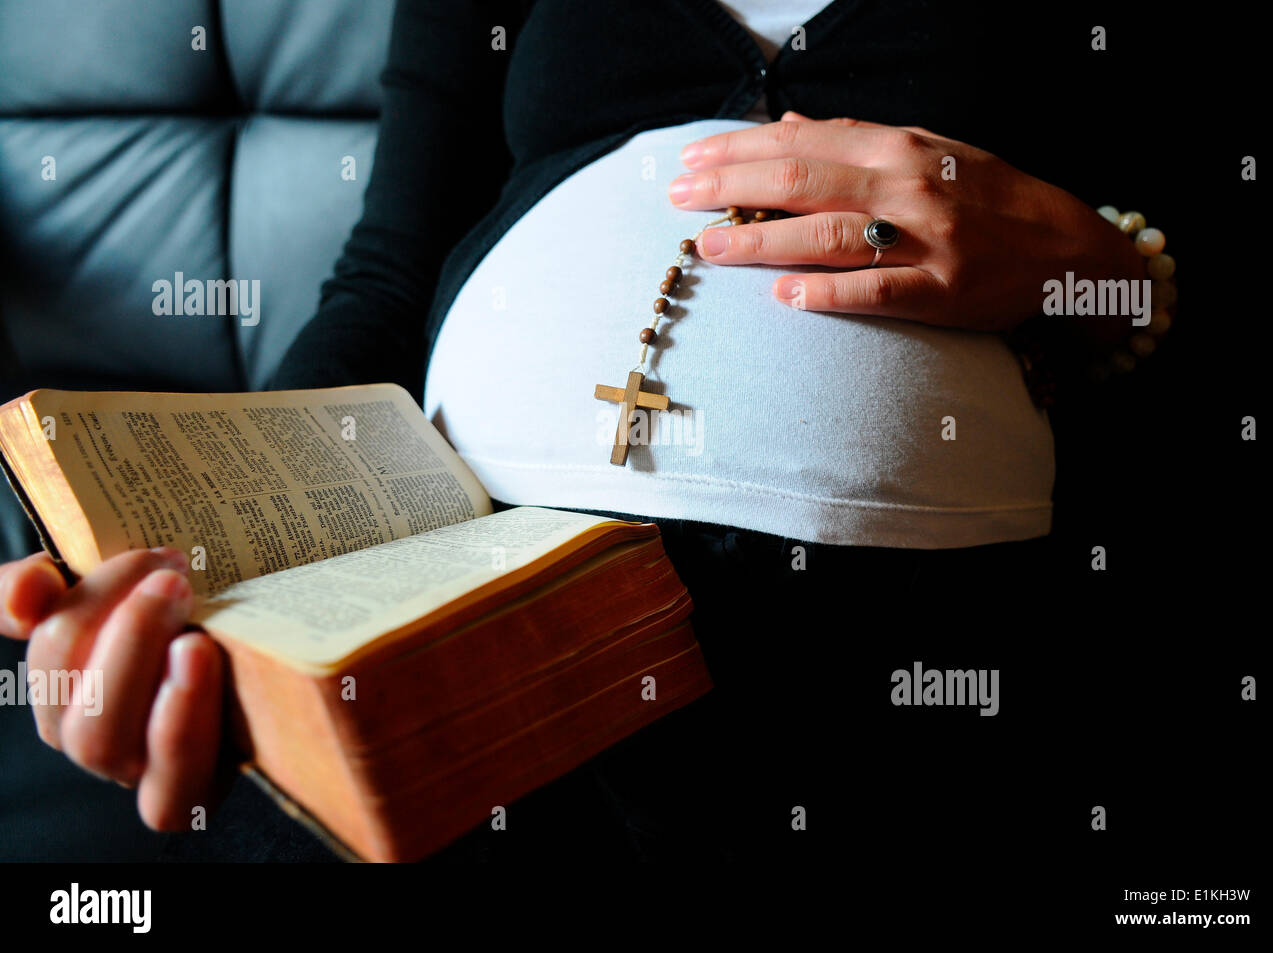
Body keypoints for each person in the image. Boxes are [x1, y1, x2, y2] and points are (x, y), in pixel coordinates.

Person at [0, 1, 1170, 861]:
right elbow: (383, 280)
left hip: (912, 631)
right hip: (460, 583)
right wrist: (209, 537)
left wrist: (1101, 267)